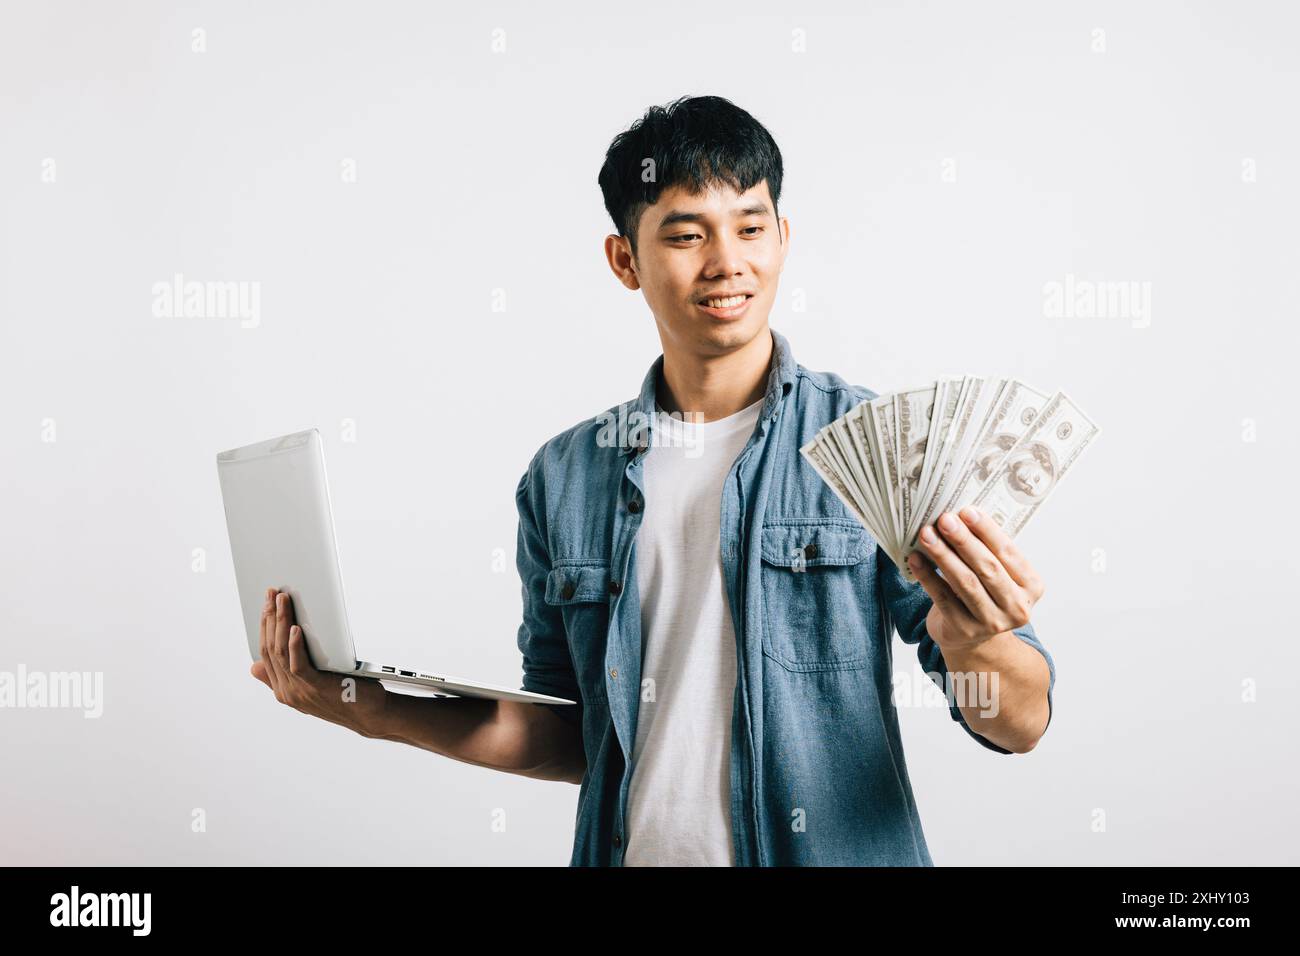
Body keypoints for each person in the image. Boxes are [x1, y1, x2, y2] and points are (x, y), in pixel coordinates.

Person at [250, 94, 1055, 867]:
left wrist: (976, 639)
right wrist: (370, 708)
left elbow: (1020, 722)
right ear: (624, 260)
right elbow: (571, 735)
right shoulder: (564, 476)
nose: (728, 262)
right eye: (686, 235)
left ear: (783, 236)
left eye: (750, 226)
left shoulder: (880, 448)